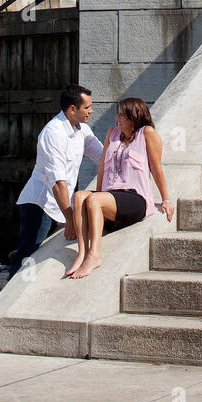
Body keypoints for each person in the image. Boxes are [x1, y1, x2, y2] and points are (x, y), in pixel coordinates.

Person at [66, 96, 174, 279]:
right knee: (79, 197)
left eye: (122, 116)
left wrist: (166, 199)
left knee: (93, 199)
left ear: (134, 118)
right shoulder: (112, 134)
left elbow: (156, 168)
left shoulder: (147, 133)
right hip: (111, 196)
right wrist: (98, 196)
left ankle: (94, 256)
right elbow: (102, 167)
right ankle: (82, 253)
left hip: (135, 197)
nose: (117, 118)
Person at [7, 84, 103, 279]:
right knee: (28, 257)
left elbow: (102, 157)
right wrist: (70, 218)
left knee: (39, 257)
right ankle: (6, 296)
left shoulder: (82, 130)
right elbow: (57, 182)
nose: (91, 111)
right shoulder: (53, 133)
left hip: (60, 204)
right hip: (40, 205)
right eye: (87, 107)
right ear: (72, 109)